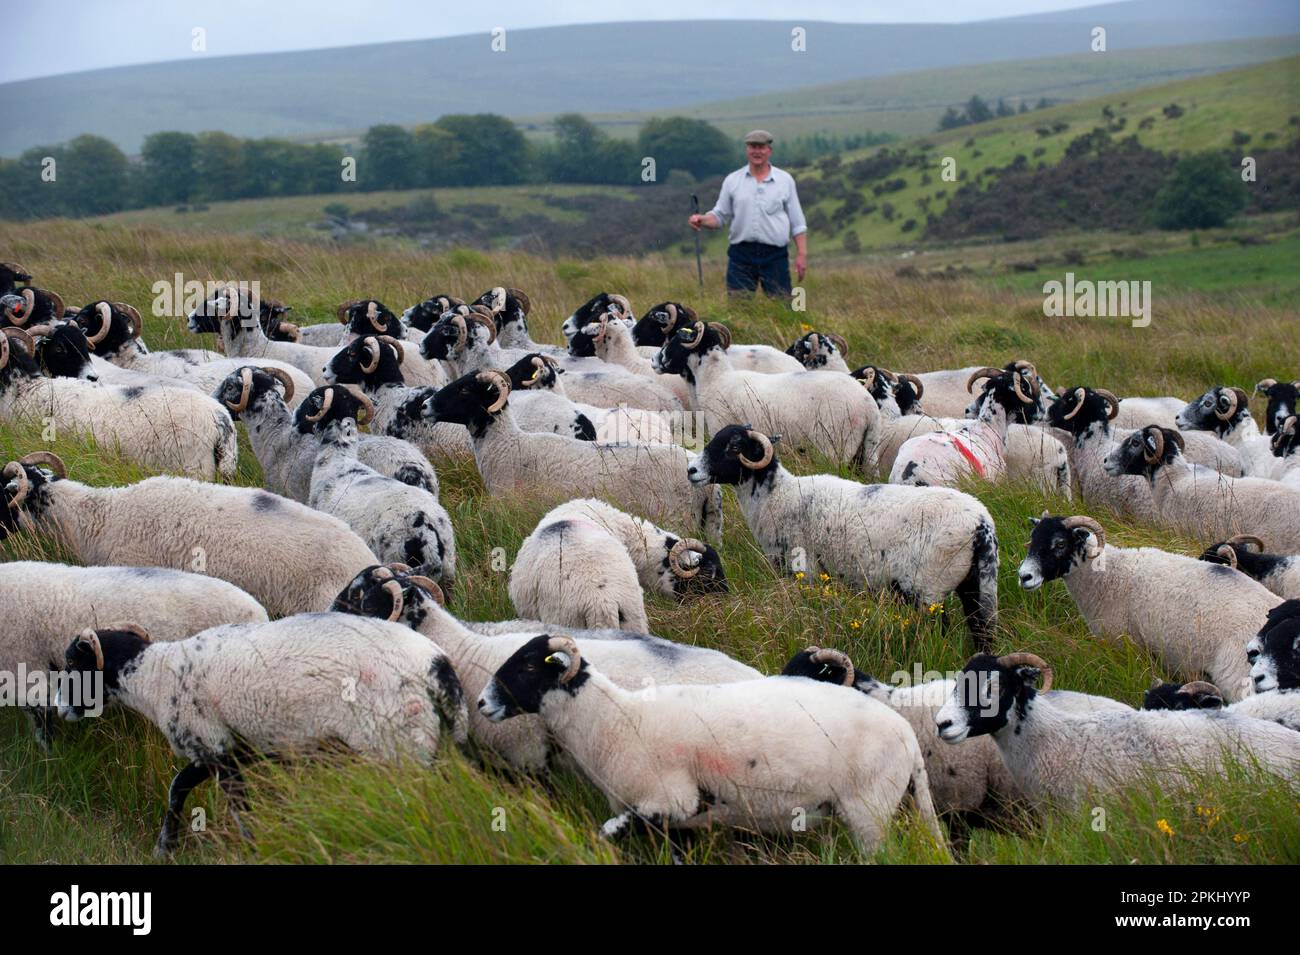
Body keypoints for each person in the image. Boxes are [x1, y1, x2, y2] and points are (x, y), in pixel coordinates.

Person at [688, 130, 807, 298]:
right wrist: (702, 219)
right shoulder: (732, 180)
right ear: (747, 150)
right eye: (753, 147)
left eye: (761, 147)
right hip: (741, 255)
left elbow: (797, 223)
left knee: (783, 307)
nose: (757, 151)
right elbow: (720, 216)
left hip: (775, 255)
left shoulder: (785, 181)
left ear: (769, 151)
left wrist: (802, 255)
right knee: (739, 307)